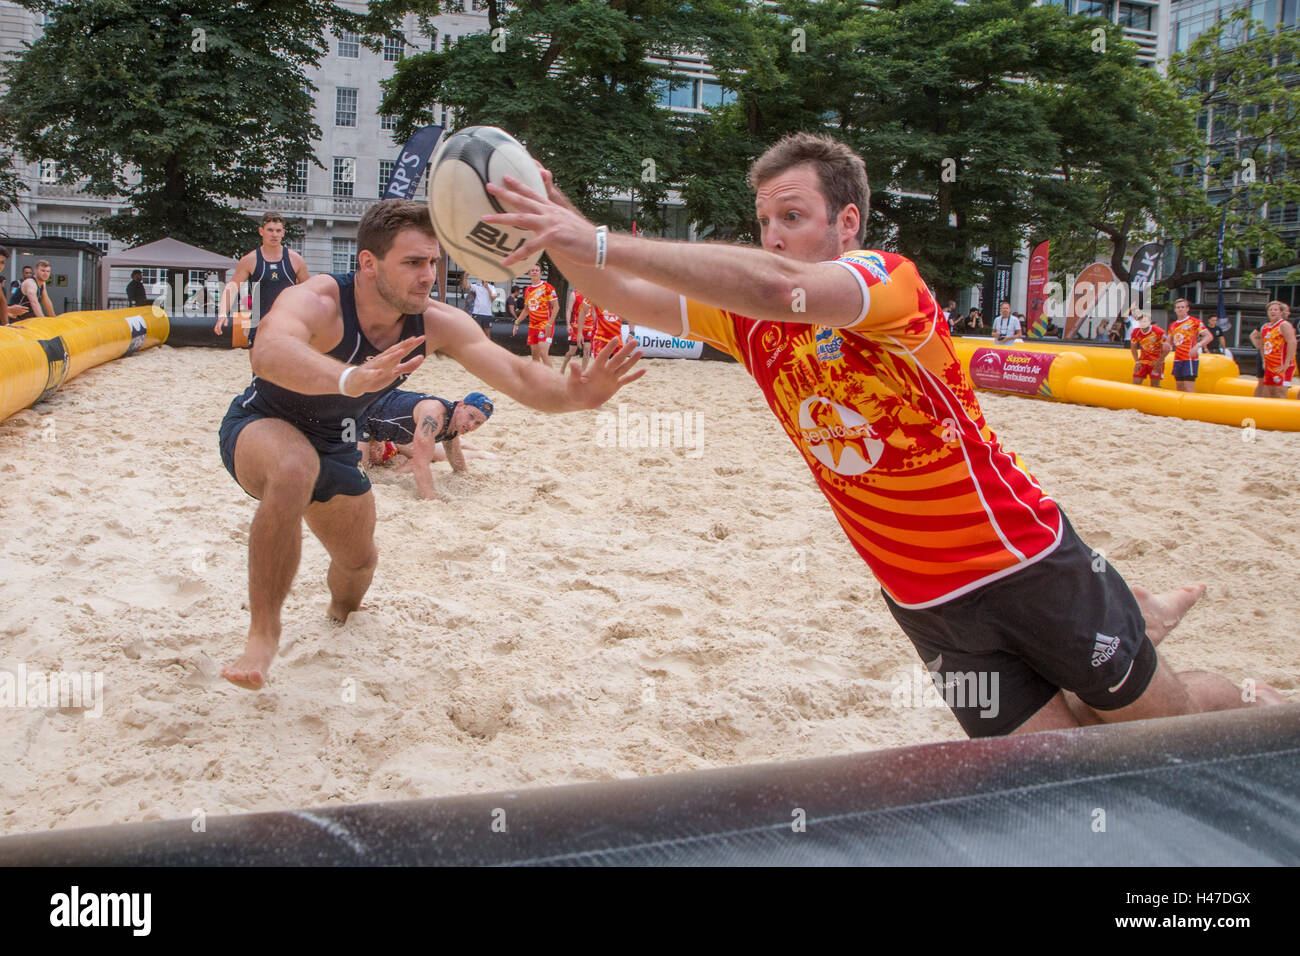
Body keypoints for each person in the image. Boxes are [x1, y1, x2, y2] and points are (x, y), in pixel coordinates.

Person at [485, 130, 1286, 737]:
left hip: (1027, 564)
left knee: (1161, 721)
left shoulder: (884, 283)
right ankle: (1134, 621)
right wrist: (557, 221)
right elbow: (618, 286)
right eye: (763, 219)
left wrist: (581, 236)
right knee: (1048, 776)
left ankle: (1262, 703)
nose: (772, 235)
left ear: (848, 223)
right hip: (925, 602)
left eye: (791, 216)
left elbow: (781, 283)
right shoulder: (748, 325)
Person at [216, 199, 643, 690]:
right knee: (293, 468)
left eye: (434, 262)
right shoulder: (321, 299)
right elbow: (268, 351)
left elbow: (517, 376)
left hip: (336, 442)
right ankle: (263, 634)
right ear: (369, 263)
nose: (428, 275)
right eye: (413, 263)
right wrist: (350, 377)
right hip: (263, 421)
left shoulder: (435, 321)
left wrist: (575, 395)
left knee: (358, 564)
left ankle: (338, 615)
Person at [360, 390, 495, 499]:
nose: (471, 425)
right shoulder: (435, 416)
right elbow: (420, 463)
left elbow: (454, 453)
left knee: (433, 453)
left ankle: (482, 453)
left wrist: (463, 475)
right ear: (460, 405)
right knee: (361, 471)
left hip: (384, 425)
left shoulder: (454, 423)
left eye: (478, 423)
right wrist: (430, 500)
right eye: (471, 416)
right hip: (362, 413)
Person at [215, 212, 310, 346]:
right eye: (270, 230)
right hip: (259, 324)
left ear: (283, 232)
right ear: (261, 231)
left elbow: (309, 292)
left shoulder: (296, 260)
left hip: (288, 324)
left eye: (278, 231)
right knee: (259, 367)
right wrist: (222, 314)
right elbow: (232, 287)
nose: (274, 234)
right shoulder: (249, 260)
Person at [511, 263, 558, 365]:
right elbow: (526, 310)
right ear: (529, 273)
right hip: (533, 325)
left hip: (545, 323)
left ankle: (551, 378)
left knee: (543, 353)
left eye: (537, 270)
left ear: (541, 273)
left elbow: (556, 307)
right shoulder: (527, 290)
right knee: (534, 355)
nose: (535, 272)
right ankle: (538, 379)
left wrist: (550, 323)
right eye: (532, 270)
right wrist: (517, 322)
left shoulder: (547, 287)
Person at [1249, 301, 1297, 399]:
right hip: (1269, 365)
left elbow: (1292, 343)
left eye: (1275, 310)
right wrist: (1263, 360)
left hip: (1281, 365)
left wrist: (1287, 362)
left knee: (1280, 392)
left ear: (1281, 312)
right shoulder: (1265, 327)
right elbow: (1262, 344)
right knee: (1267, 391)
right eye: (1270, 310)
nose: (1272, 312)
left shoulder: (1284, 325)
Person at [1163, 298, 1212, 393]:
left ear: (1187, 309)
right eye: (1178, 307)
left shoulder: (1194, 322)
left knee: (1188, 386)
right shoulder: (1173, 325)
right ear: (1175, 309)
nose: (1180, 309)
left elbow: (1209, 336)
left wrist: (1198, 346)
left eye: (1182, 307)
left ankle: (1191, 406)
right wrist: (1165, 346)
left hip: (1189, 358)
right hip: (1178, 359)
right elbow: (1169, 342)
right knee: (1179, 386)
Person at [560, 288, 595, 375]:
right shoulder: (574, 294)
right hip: (576, 326)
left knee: (587, 350)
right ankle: (563, 367)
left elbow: (594, 312)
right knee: (572, 352)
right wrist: (568, 324)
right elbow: (569, 310)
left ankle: (582, 373)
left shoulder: (593, 294)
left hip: (589, 326)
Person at [1129, 313, 1165, 388]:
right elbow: (1133, 348)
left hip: (1156, 361)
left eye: (1145, 321)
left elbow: (1167, 348)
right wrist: (1137, 361)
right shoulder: (1136, 332)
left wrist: (1159, 362)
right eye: (1141, 321)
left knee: (1154, 386)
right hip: (1143, 361)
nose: (1143, 324)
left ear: (1150, 321)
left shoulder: (1159, 332)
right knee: (1135, 384)